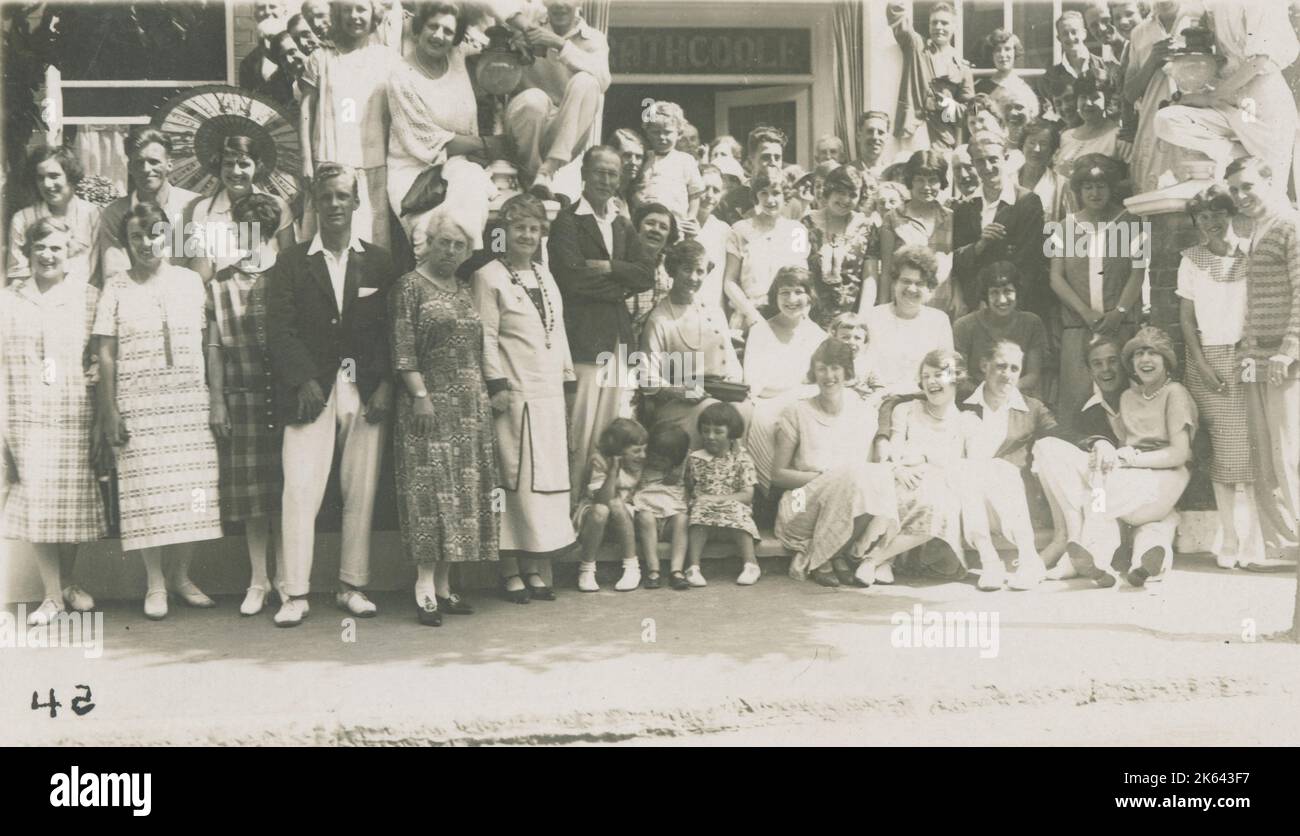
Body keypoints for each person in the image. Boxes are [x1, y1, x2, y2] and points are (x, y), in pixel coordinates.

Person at [266, 163, 396, 627]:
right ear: (315, 205)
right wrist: (303, 379)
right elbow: (278, 330)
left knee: (360, 489)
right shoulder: (292, 261)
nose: (335, 205)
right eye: (327, 198)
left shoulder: (379, 261)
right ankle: (294, 592)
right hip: (310, 392)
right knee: (300, 489)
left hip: (364, 390)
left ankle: (351, 585)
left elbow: (393, 329)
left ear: (357, 203)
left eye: (344, 196)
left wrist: (385, 385)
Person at [94, 203, 223, 620]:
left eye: (154, 234)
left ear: (168, 236)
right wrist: (109, 409)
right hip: (139, 402)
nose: (147, 243)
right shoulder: (115, 286)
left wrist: (215, 396)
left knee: (191, 491)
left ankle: (181, 576)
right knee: (147, 492)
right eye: (137, 236)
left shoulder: (190, 282)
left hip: (187, 401)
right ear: (127, 242)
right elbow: (106, 354)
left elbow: (210, 344)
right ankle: (155, 583)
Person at [390, 204, 498, 625]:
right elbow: (402, 349)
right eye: (444, 243)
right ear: (427, 244)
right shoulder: (409, 287)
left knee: (462, 497)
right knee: (430, 494)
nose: (451, 251)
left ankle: (444, 585)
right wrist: (420, 395)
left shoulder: (465, 288)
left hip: (470, 407)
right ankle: (422, 587)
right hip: (427, 404)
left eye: (459, 245)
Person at [0, 219, 106, 626]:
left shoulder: (87, 297)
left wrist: (93, 386)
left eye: (56, 249)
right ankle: (51, 597)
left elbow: (97, 355)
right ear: (27, 252)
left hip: (73, 409)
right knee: (41, 505)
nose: (47, 255)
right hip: (25, 412)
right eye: (40, 247)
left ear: (70, 255)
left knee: (71, 505)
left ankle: (67, 581)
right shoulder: (10, 300)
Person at [472, 194, 576, 605]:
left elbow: (559, 333)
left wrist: (567, 380)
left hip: (547, 394)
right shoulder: (488, 276)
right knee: (511, 482)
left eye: (534, 228)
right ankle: (509, 569)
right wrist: (495, 385)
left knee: (543, 484)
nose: (527, 235)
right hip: (513, 393)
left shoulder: (545, 276)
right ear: (504, 233)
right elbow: (486, 336)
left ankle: (535, 565)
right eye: (520, 228)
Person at [548, 146, 655, 499]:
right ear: (584, 174)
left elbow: (645, 275)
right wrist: (619, 284)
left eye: (613, 174)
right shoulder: (567, 221)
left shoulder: (623, 223)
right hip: (585, 338)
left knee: (611, 432)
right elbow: (572, 279)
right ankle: (571, 509)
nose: (606, 180)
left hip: (618, 341)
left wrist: (608, 268)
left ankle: (602, 507)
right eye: (599, 172)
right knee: (580, 430)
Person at [1032, 333, 1179, 575]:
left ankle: (1144, 561)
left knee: (1155, 525)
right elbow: (1067, 436)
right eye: (1097, 364)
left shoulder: (1147, 397)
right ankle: (1103, 562)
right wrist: (1099, 442)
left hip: (1150, 489)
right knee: (1099, 506)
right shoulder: (1089, 411)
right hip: (1110, 494)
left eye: (1112, 361)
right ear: (1089, 371)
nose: (1106, 370)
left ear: (1124, 364)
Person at [1067, 327, 1197, 588]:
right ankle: (1144, 564)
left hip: (1168, 474)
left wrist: (1129, 460)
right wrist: (1118, 455)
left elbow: (1179, 454)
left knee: (1094, 499)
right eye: (1139, 353)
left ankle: (1097, 552)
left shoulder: (1176, 393)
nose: (1145, 360)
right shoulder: (1129, 396)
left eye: (1153, 353)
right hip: (1137, 475)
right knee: (1104, 484)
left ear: (1166, 360)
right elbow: (1126, 445)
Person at [1177, 184, 1264, 569]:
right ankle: (1228, 537)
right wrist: (1203, 366)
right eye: (1203, 216)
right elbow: (1186, 320)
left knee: (1254, 454)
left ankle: (1255, 541)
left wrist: (1248, 353)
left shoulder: (1253, 253)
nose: (1211, 223)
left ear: (1233, 214)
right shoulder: (1191, 259)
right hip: (1206, 362)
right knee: (1222, 456)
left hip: (1247, 358)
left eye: (1218, 213)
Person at [205, 195, 284, 617]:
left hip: (285, 398)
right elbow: (215, 347)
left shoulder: (288, 274)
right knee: (253, 496)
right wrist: (217, 400)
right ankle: (258, 579)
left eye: (256, 227)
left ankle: (289, 579)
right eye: (240, 227)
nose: (246, 235)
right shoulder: (220, 283)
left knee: (287, 493)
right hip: (244, 396)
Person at [772, 339, 898, 586]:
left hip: (846, 507)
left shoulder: (863, 413)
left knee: (875, 477)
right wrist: (829, 478)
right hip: (798, 502)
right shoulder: (797, 412)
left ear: (847, 372)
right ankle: (824, 557)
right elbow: (778, 474)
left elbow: (868, 475)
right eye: (822, 368)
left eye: (835, 368)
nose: (828, 376)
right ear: (813, 372)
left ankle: (835, 552)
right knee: (849, 474)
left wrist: (841, 481)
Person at [386, 2, 504, 261]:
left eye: (448, 31)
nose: (439, 35)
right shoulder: (400, 75)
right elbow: (424, 141)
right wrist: (483, 144)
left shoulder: (458, 55)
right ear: (418, 28)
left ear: (456, 37)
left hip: (460, 164)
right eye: (433, 26)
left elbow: (494, 33)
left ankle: (455, 275)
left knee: (463, 209)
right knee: (430, 228)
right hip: (414, 172)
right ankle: (430, 283)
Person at [1228, 157, 1300, 567]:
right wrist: (1248, 352)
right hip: (1257, 358)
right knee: (1266, 456)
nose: (1241, 197)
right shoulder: (1257, 230)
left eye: (1248, 186)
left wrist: (1288, 351)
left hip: (1284, 359)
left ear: (1270, 180)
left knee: (1289, 454)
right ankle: (1286, 547)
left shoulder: (1291, 226)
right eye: (1235, 190)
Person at [855, 348, 971, 587]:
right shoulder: (906, 409)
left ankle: (874, 559)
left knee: (941, 502)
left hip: (936, 488)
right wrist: (898, 468)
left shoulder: (964, 421)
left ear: (957, 378)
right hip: (901, 478)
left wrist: (924, 464)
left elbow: (951, 466)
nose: (931, 381)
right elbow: (895, 450)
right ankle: (885, 560)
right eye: (926, 376)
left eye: (939, 374)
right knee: (908, 487)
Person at [1154, 0, 1299, 189]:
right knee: (1167, 121)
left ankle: (1257, 161)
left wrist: (1211, 98)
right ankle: (1238, 156)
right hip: (1230, 97)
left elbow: (1259, 60)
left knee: (1266, 191)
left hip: (1262, 99)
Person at [1048, 154, 1144, 428]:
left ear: (1111, 187)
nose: (1095, 192)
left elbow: (1139, 272)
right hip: (1079, 328)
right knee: (1078, 399)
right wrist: (1085, 312)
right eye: (1088, 187)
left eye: (1101, 186)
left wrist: (1120, 312)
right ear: (1078, 190)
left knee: (1124, 395)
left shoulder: (1132, 222)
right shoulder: (1063, 227)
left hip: (1121, 326)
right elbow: (1055, 278)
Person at [958, 340, 1058, 590]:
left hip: (1014, 503)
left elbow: (1062, 436)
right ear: (984, 365)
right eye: (1001, 366)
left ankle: (1018, 559)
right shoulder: (961, 402)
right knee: (971, 470)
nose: (1007, 375)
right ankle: (996, 561)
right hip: (970, 501)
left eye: (1015, 368)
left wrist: (1100, 443)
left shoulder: (1031, 408)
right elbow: (909, 398)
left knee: (997, 468)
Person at [299, 0, 398, 249]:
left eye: (361, 9)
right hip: (328, 162)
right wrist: (306, 161)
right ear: (337, 13)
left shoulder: (387, 59)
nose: (354, 16)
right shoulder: (321, 57)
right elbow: (305, 110)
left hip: (372, 166)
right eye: (347, 9)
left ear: (374, 12)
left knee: (368, 245)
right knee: (324, 244)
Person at [640, 240, 745, 450]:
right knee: (714, 413)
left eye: (700, 271)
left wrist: (735, 382)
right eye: (687, 270)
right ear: (673, 270)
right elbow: (646, 378)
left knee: (746, 409)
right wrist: (679, 390)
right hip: (679, 402)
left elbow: (729, 356)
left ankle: (740, 479)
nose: (693, 278)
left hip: (719, 392)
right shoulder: (660, 319)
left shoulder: (713, 310)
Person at [502, 0, 610, 192]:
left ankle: (546, 172)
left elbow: (603, 79)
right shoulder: (530, 20)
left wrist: (559, 44)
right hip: (525, 124)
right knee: (535, 99)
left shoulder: (594, 38)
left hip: (565, 132)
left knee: (587, 81)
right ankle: (533, 178)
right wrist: (521, 30)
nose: (559, 3)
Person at [951, 131, 1050, 328]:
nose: (987, 167)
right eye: (979, 162)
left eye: (993, 159)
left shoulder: (1027, 202)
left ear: (1005, 158)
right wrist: (980, 245)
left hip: (1017, 306)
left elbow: (1026, 261)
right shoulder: (964, 208)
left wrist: (996, 303)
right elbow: (958, 260)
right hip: (976, 308)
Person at [742, 267, 828, 488]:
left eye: (799, 291)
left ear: (809, 296)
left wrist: (800, 392)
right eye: (784, 292)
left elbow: (821, 383)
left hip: (806, 405)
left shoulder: (818, 335)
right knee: (767, 420)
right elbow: (754, 384)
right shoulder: (760, 331)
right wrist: (795, 390)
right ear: (775, 296)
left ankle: (810, 486)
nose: (791, 299)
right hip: (766, 403)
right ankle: (770, 489)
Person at [96, 128, 201, 286]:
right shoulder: (115, 213)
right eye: (139, 162)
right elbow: (116, 274)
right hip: (137, 300)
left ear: (169, 164)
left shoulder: (194, 206)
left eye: (154, 161)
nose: (146, 169)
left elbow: (201, 267)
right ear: (130, 167)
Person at [185, 135, 297, 281]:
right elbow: (201, 273)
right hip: (223, 292)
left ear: (257, 166)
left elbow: (290, 261)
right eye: (228, 164)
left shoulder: (277, 205)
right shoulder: (204, 209)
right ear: (219, 166)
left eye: (244, 164)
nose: (235, 172)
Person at [681, 402, 761, 588]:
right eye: (705, 430)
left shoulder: (741, 459)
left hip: (733, 515)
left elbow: (747, 494)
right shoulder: (695, 458)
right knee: (698, 507)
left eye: (718, 432)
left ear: (731, 433)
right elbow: (688, 486)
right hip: (704, 516)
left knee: (735, 507)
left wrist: (718, 499)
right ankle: (693, 567)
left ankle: (751, 564)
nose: (710, 436)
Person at [721, 165, 809, 333]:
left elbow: (803, 280)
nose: (770, 200)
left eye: (776, 193)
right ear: (755, 197)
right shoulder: (740, 230)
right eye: (764, 193)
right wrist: (751, 314)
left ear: (786, 196)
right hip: (751, 317)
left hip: (789, 314)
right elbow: (729, 281)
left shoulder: (796, 231)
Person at [1123, 0, 1198, 195]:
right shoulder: (1140, 33)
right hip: (1153, 123)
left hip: (1194, 119)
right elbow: (1130, 93)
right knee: (1155, 193)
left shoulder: (1201, 18)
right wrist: (1153, 60)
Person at [862, 244, 954, 397]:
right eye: (906, 281)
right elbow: (861, 368)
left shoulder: (939, 321)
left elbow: (947, 374)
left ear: (929, 287)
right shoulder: (873, 317)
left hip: (923, 400)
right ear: (894, 282)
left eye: (919, 283)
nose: (912, 289)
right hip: (877, 400)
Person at [886, 1, 974, 152]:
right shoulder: (916, 46)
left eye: (944, 23)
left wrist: (949, 106)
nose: (939, 27)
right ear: (929, 25)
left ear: (954, 27)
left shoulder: (962, 67)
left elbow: (971, 113)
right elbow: (896, 14)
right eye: (934, 23)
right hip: (912, 131)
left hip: (943, 137)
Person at [7, 145, 101, 285]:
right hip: (35, 300)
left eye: (54, 176)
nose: (47, 184)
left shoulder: (93, 214)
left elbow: (97, 273)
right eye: (40, 178)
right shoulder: (23, 219)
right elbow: (17, 275)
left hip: (81, 299)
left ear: (71, 177)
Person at [572, 417, 647, 593]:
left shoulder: (639, 465)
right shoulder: (600, 463)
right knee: (603, 509)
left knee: (618, 506)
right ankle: (587, 569)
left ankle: (631, 567)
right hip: (594, 514)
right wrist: (612, 471)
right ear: (618, 452)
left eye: (644, 450)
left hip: (623, 518)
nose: (642, 455)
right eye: (636, 451)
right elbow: (602, 499)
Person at [952, 261, 1048, 397]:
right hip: (974, 398)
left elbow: (1033, 375)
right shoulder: (964, 326)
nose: (1002, 299)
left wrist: (1004, 391)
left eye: (1008, 291)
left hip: (1016, 395)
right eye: (994, 292)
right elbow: (960, 376)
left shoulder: (1031, 323)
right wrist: (988, 395)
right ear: (986, 295)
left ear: (1018, 292)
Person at [880, 150, 957, 316]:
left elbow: (958, 264)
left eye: (933, 180)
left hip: (942, 306)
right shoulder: (893, 218)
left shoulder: (951, 217)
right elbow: (886, 270)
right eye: (919, 180)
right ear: (910, 181)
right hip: (903, 307)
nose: (926, 186)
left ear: (941, 181)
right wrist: (882, 310)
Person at [804, 166, 878, 326]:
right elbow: (797, 272)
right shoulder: (805, 224)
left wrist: (861, 320)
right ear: (829, 190)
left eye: (852, 195)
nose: (845, 200)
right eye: (840, 192)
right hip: (810, 318)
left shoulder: (867, 228)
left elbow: (869, 278)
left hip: (850, 320)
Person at [1052, 72, 1121, 219]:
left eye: (1095, 97)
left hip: (1102, 217)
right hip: (1065, 215)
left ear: (1107, 100)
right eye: (1083, 97)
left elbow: (1130, 182)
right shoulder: (1066, 136)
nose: (1088, 103)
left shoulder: (1118, 136)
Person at [630, 422, 690, 591]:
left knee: (682, 519)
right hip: (647, 520)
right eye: (653, 455)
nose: (656, 461)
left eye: (663, 459)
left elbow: (687, 453)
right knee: (645, 516)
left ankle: (676, 571)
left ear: (676, 459)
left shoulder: (679, 468)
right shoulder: (641, 465)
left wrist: (678, 466)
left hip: (671, 519)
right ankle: (653, 570)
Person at [638, 100, 703, 232]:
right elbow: (635, 189)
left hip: (677, 224)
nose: (662, 137)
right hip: (647, 224)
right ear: (648, 133)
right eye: (656, 132)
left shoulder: (685, 160)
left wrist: (690, 218)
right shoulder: (643, 158)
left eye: (667, 132)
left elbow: (695, 194)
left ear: (679, 133)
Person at [1039, 11, 1120, 106]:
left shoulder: (1106, 67)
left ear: (1084, 34)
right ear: (1059, 38)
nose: (1070, 37)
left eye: (1074, 32)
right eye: (1065, 34)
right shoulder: (1049, 77)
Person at [626, 202, 679, 340]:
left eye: (663, 227)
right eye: (650, 223)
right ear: (637, 227)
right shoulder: (622, 260)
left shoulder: (670, 270)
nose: (656, 230)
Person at [714, 126, 785, 225]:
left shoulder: (790, 199)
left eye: (777, 158)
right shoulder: (729, 201)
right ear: (751, 160)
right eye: (765, 157)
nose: (772, 162)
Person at [975, 29, 1038, 127]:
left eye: (1007, 49)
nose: (1003, 55)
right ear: (991, 54)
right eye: (997, 50)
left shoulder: (1024, 87)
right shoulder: (981, 87)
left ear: (1015, 52)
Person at [692, 164, 731, 309]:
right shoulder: (680, 224)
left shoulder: (724, 231)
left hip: (713, 311)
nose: (709, 195)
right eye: (704, 188)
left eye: (716, 190)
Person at [239, 2, 287, 90]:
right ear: (255, 14)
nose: (267, 12)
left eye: (272, 6)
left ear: (285, 11)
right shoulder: (248, 63)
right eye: (261, 8)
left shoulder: (302, 49)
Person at [849, 111, 891, 180]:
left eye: (880, 132)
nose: (875, 137)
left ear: (887, 139)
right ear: (859, 136)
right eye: (870, 131)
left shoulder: (893, 174)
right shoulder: (845, 173)